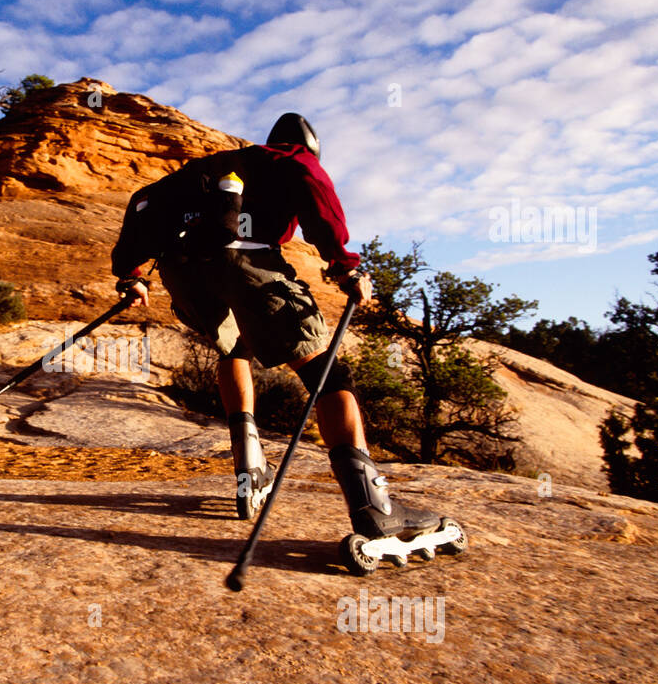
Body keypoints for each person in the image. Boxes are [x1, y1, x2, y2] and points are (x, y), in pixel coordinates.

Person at [111, 112, 439, 541]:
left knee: (234, 351)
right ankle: (374, 509)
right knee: (327, 374)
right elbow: (319, 203)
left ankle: (250, 467)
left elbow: (146, 207)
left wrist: (132, 275)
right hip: (242, 260)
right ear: (309, 145)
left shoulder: (217, 165)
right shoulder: (294, 159)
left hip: (182, 272)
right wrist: (345, 267)